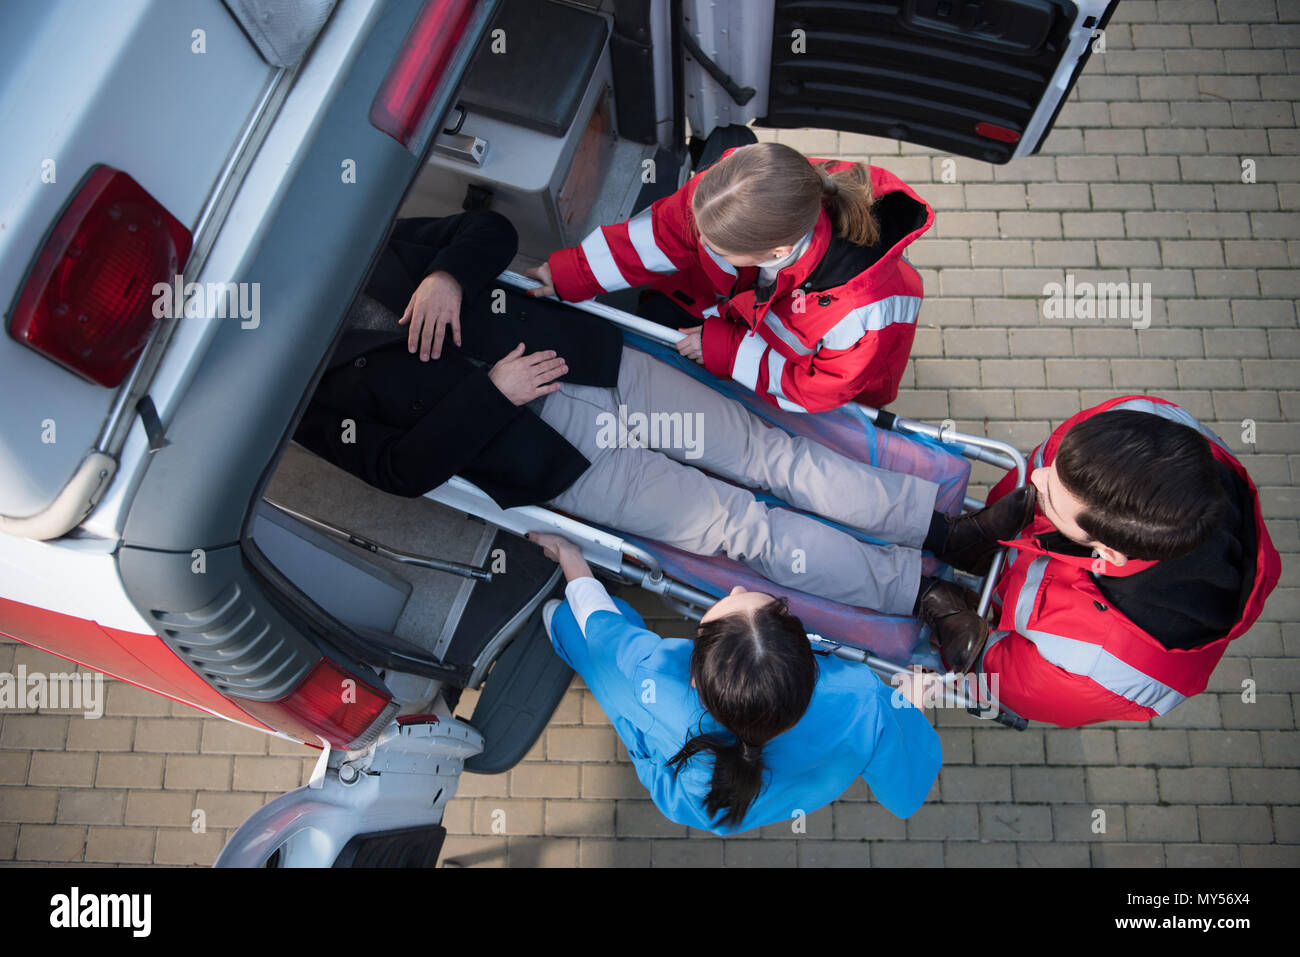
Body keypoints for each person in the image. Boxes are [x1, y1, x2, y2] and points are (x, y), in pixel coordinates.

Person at [297, 213, 1034, 641]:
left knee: (772, 455)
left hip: (598, 364)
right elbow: (399, 472)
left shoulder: (358, 249)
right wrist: (493, 394)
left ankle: (945, 533)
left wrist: (448, 274)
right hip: (558, 462)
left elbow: (488, 228)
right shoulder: (306, 399)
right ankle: (919, 596)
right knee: (746, 530)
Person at [527, 531, 943, 835]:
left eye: (730, 602)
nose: (739, 585)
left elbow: (602, 627)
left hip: (685, 784)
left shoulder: (652, 676)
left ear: (693, 676)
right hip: (762, 799)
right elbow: (902, 788)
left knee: (574, 628)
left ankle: (552, 622)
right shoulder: (862, 695)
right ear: (807, 661)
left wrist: (569, 554)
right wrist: (905, 704)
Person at [526, 142, 934, 414]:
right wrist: (569, 274)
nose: (699, 241)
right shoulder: (728, 193)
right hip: (739, 324)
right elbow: (661, 235)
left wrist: (728, 351)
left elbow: (819, 388)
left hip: (819, 376)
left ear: (775, 253)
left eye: (717, 248)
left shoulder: (861, 314)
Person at [971, 397, 1281, 727]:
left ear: (1108, 554)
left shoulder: (1102, 670)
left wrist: (959, 633)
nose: (1037, 478)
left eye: (1053, 501)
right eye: (1055, 469)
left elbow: (992, 678)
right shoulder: (1139, 421)